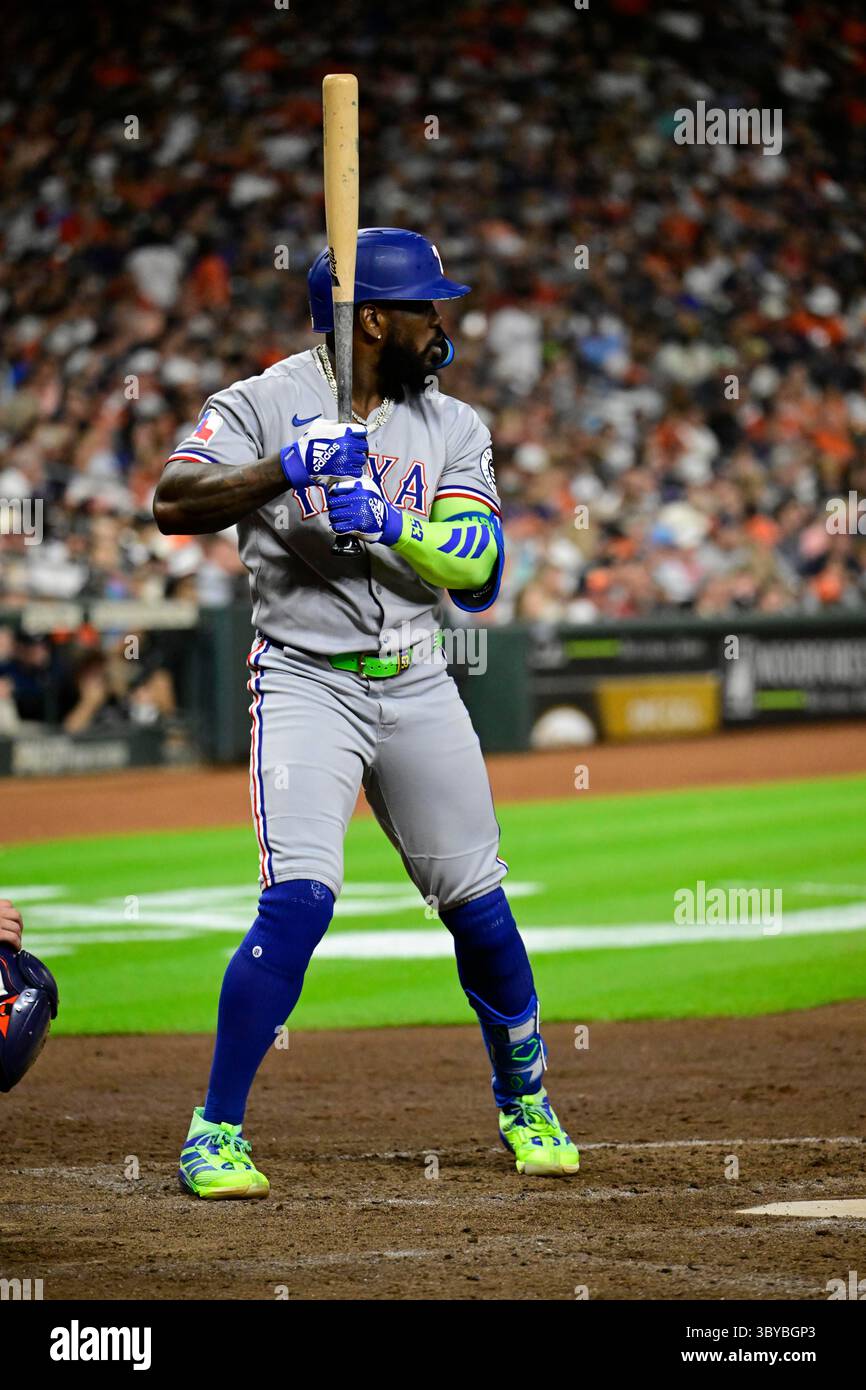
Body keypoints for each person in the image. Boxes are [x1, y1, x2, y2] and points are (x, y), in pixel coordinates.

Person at [154, 228, 578, 1199]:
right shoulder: (262, 403)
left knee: (478, 906)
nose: (443, 321)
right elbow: (172, 500)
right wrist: (285, 470)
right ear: (371, 319)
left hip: (419, 677)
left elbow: (478, 573)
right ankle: (213, 1130)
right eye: (425, 305)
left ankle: (526, 1099)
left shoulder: (454, 425)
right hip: (306, 678)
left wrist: (391, 523)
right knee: (298, 901)